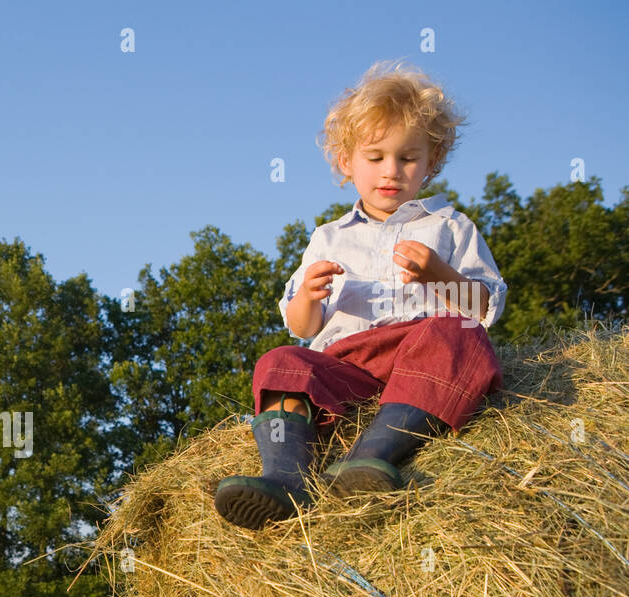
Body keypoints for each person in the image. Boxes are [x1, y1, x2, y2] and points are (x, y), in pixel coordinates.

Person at [214, 59, 508, 530]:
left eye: (408, 158)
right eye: (375, 157)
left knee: (462, 335)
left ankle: (370, 456)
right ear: (345, 161)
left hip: (420, 349)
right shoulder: (328, 237)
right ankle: (285, 479)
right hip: (346, 362)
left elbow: (485, 308)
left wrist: (439, 274)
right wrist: (308, 296)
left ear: (431, 162)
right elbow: (303, 326)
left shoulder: (450, 226)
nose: (391, 171)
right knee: (280, 362)